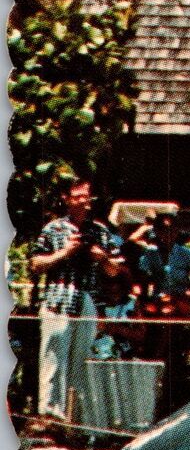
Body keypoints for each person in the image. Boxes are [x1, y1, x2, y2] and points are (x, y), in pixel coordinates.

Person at [30, 179, 121, 422]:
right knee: (54, 356)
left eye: (87, 196)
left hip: (87, 299)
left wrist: (101, 258)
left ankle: (73, 418)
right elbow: (36, 264)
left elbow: (114, 270)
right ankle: (50, 416)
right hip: (59, 297)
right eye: (78, 196)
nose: (84, 201)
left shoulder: (99, 231)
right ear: (67, 199)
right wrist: (64, 253)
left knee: (80, 359)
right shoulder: (53, 229)